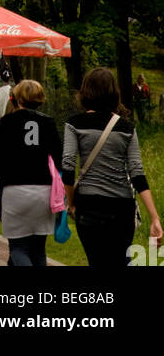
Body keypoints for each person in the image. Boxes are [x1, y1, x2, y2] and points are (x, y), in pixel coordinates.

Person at [62, 66, 162, 267]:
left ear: (85, 91)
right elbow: (137, 172)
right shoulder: (127, 128)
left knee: (97, 261)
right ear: (113, 91)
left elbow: (68, 166)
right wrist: (154, 217)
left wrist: (71, 203)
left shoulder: (74, 124)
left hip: (88, 206)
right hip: (122, 208)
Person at [0, 79, 62, 267]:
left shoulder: (6, 122)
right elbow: (59, 158)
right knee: (38, 250)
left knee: (18, 248)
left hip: (15, 191)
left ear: (17, 98)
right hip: (44, 191)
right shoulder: (48, 123)